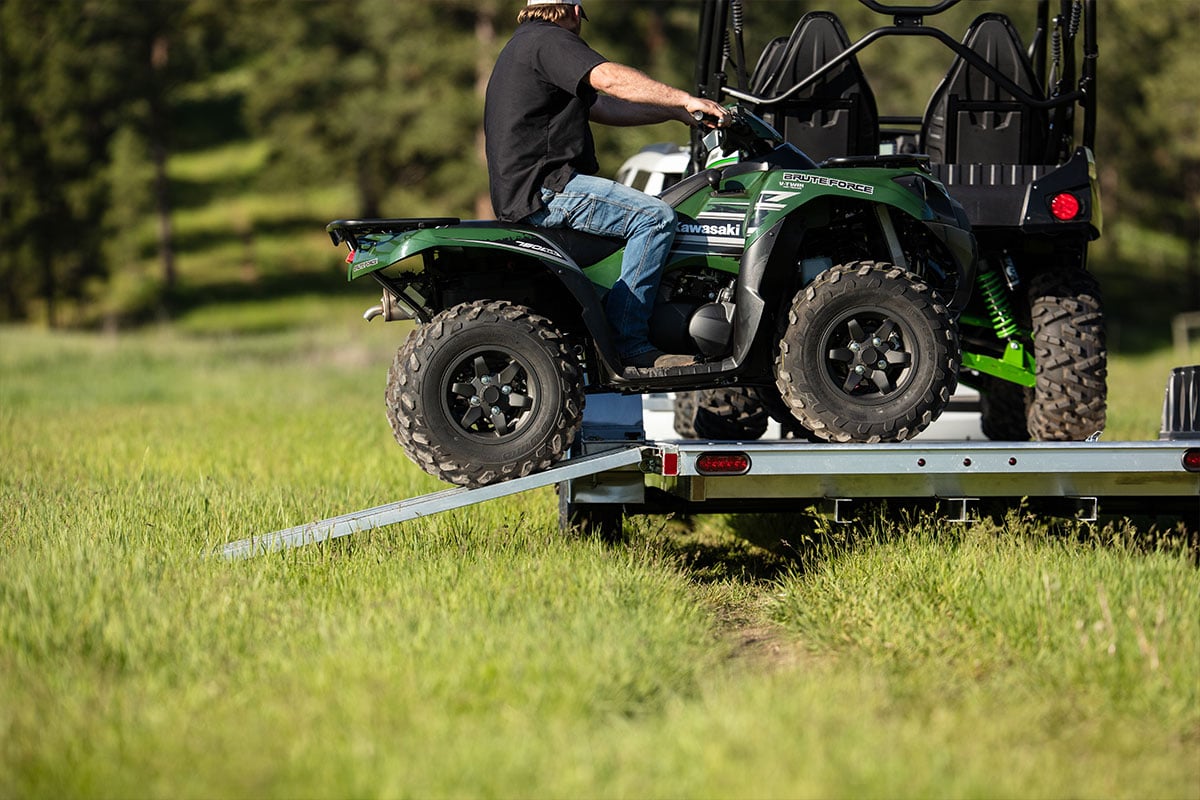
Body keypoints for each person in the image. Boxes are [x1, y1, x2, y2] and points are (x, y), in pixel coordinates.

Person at [484, 0, 728, 373]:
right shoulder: (551, 41)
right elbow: (610, 79)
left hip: (530, 190)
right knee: (655, 218)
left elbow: (604, 107)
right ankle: (630, 344)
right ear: (573, 10)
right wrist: (684, 96)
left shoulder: (523, 45)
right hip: (550, 190)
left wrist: (675, 113)